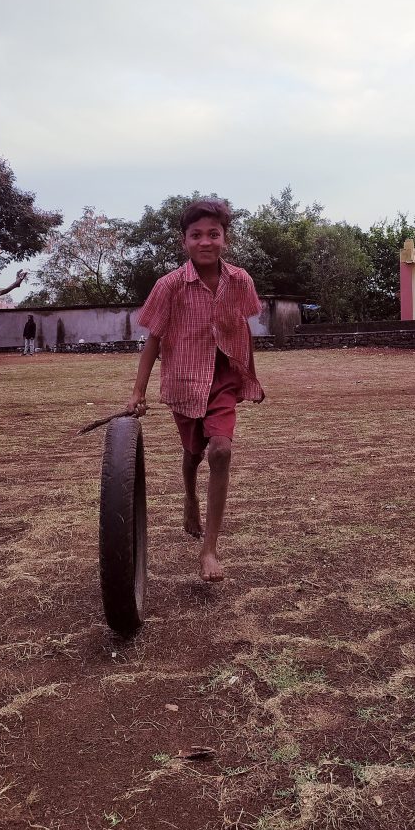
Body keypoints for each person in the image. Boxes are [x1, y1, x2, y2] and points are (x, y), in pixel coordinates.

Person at [125, 198, 264, 583]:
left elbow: (244, 325)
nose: (206, 241)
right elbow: (153, 340)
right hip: (185, 380)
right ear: (184, 241)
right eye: (196, 235)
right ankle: (190, 497)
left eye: (213, 234)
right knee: (193, 452)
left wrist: (246, 373)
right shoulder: (169, 286)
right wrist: (138, 391)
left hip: (222, 378)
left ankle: (210, 549)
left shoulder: (241, 281)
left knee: (220, 450)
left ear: (225, 238)